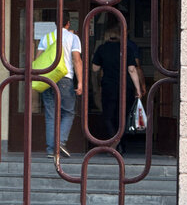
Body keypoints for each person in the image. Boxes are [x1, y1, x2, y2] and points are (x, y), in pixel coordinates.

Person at [91, 18, 144, 154]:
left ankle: (115, 141)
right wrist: (138, 89)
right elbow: (132, 69)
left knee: (108, 116)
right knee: (124, 116)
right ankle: (121, 143)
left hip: (109, 86)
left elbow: (95, 69)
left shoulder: (102, 49)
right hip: (126, 87)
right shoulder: (127, 49)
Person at [37, 12, 83, 157]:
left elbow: (38, 59)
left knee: (51, 115)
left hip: (48, 79)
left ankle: (51, 150)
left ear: (55, 24)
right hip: (65, 79)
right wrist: (80, 82)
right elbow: (77, 60)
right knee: (68, 113)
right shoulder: (73, 38)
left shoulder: (46, 37)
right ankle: (60, 143)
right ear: (68, 23)